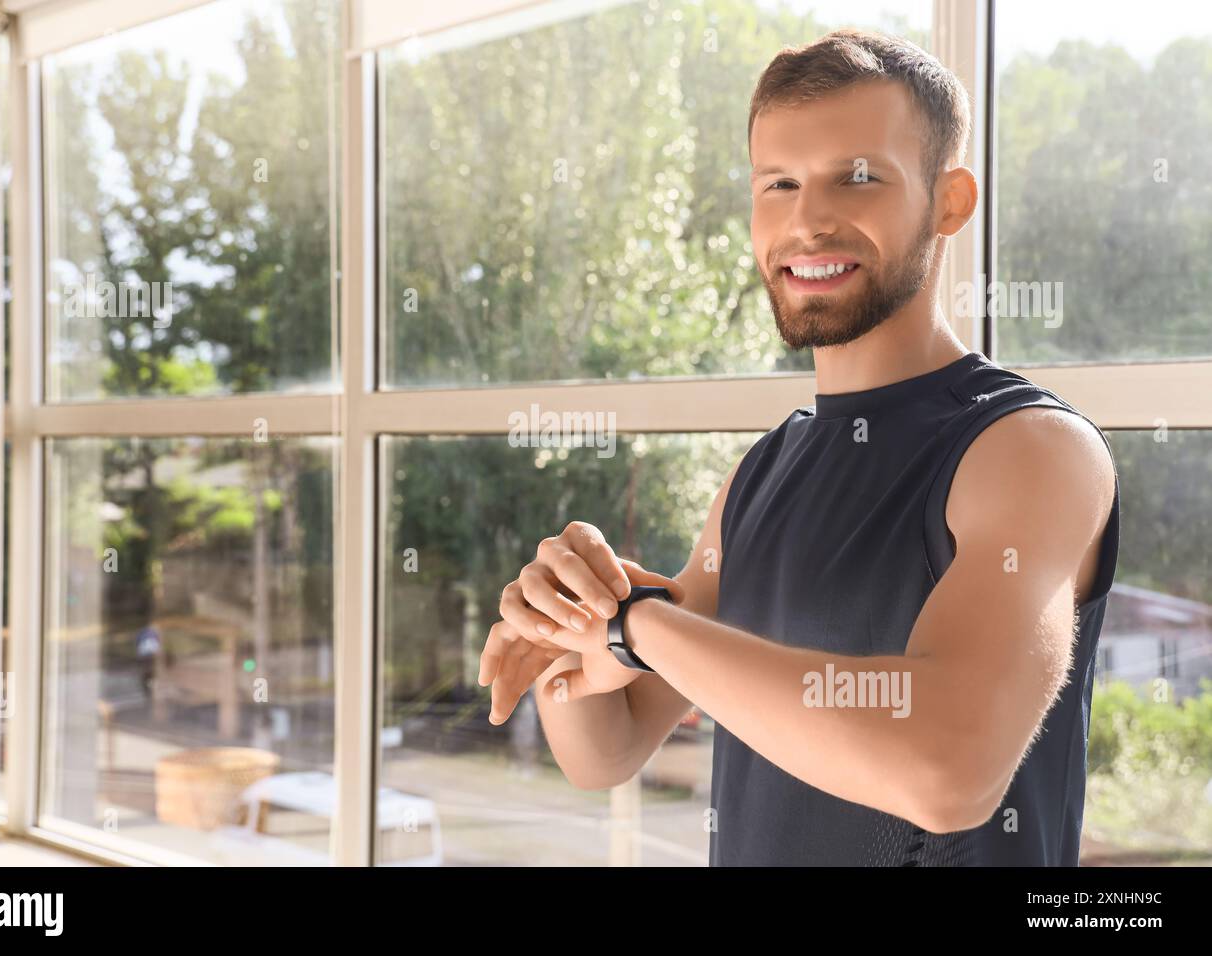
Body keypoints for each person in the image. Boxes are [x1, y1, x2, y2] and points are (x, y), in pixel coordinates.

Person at [478, 28, 1120, 866]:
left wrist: (640, 625)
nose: (807, 220)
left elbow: (949, 773)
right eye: (778, 183)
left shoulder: (1030, 449)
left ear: (950, 202)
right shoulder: (763, 473)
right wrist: (574, 629)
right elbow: (608, 750)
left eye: (857, 178)